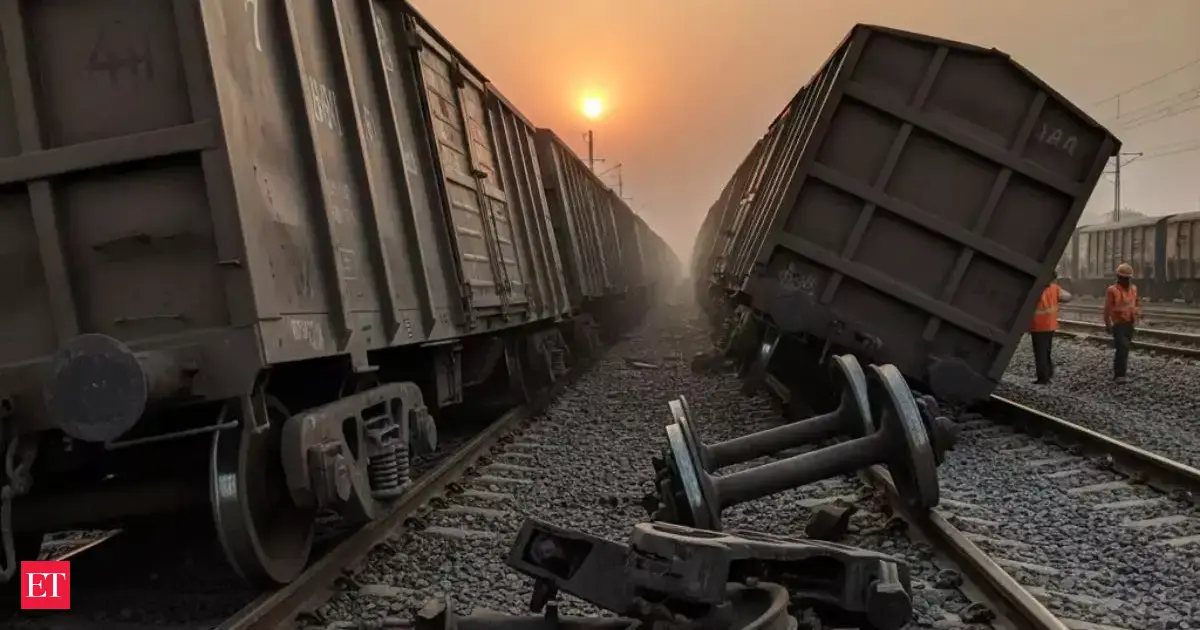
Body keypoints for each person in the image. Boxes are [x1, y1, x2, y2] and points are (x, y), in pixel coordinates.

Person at [1028, 271, 1072, 384]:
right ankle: (1049, 373)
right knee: (1047, 351)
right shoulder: (1055, 288)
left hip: (1038, 325)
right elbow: (1068, 297)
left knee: (1040, 353)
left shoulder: (1036, 289)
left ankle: (1043, 378)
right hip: (1050, 325)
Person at [1103, 263, 1141, 382]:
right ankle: (1119, 375)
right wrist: (1107, 323)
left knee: (1125, 349)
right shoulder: (1112, 290)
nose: (1125, 280)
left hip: (1130, 323)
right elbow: (1107, 308)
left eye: (1127, 278)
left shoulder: (1133, 289)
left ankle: (1121, 373)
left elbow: (1136, 303)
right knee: (1122, 348)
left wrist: (1137, 314)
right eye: (1123, 278)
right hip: (1118, 324)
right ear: (1118, 277)